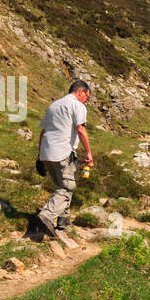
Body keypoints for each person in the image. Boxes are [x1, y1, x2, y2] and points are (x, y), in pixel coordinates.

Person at [35, 80, 94, 237]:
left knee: (63, 185)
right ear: (81, 92)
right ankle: (46, 215)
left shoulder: (53, 106)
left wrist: (39, 156)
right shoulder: (78, 106)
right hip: (63, 152)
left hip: (47, 152)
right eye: (86, 97)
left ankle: (64, 220)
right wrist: (88, 153)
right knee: (67, 187)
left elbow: (43, 132)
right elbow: (80, 129)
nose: (86, 100)